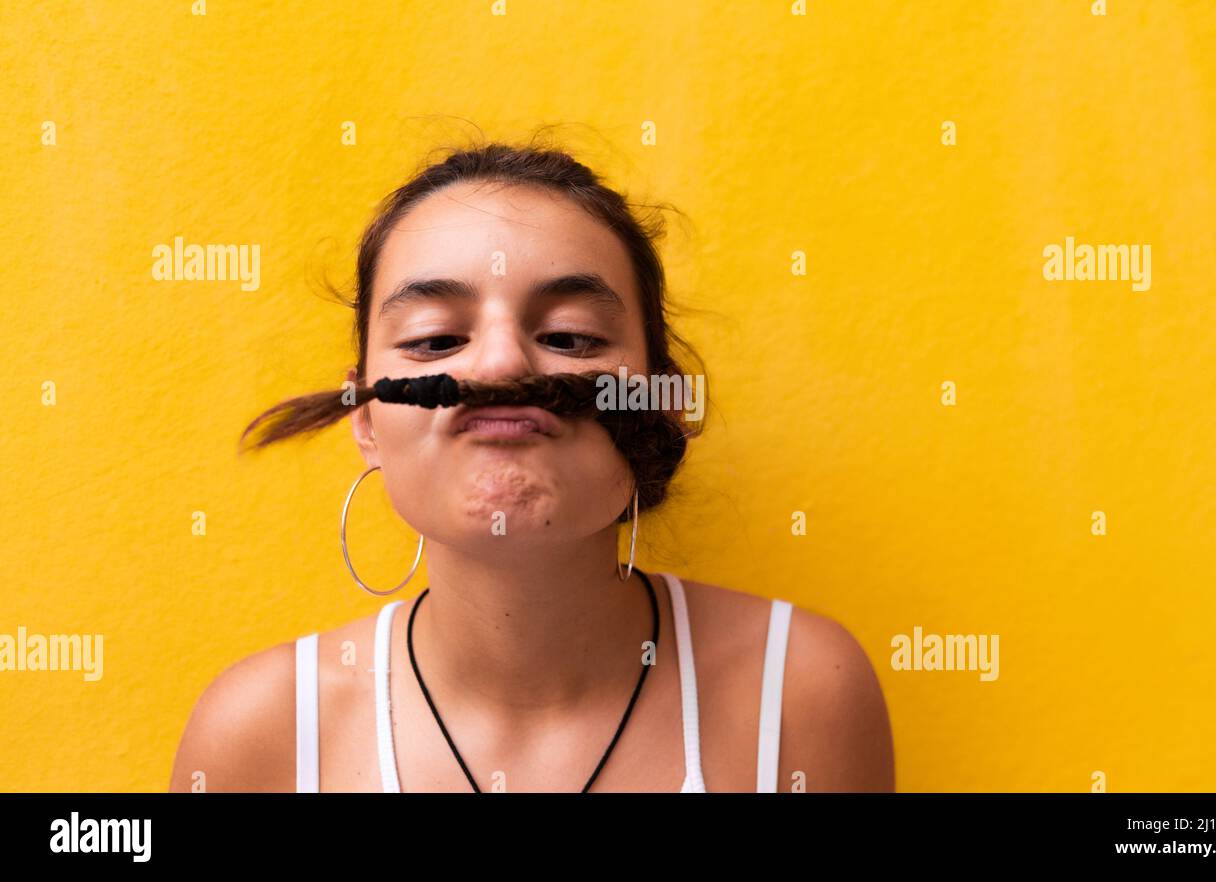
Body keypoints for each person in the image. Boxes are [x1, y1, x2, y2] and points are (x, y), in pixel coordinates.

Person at [168, 137, 894, 793]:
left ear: (661, 404)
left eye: (572, 338)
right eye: (434, 339)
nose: (502, 362)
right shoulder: (259, 738)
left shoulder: (800, 692)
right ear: (365, 420)